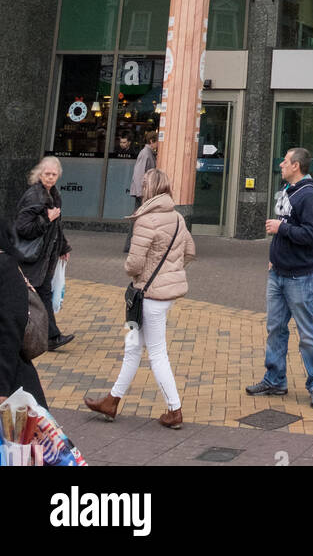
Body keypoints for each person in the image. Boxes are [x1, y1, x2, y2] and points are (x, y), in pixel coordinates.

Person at [84, 168, 195, 428]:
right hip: (159, 297)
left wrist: (146, 274)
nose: (140, 187)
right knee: (133, 348)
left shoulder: (145, 220)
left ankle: (174, 410)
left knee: (157, 353)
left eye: (144, 183)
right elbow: (190, 251)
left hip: (147, 299)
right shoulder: (178, 218)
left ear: (150, 188)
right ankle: (112, 401)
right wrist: (172, 273)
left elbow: (133, 266)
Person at [245, 147, 313, 408]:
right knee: (275, 329)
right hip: (278, 273)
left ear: (297, 166)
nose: (280, 164)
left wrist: (282, 228)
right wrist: (275, 256)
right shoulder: (289, 192)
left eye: (285, 161)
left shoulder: (309, 196)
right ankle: (275, 379)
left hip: (299, 277)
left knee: (308, 333)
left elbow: (311, 235)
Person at [14, 156, 74, 351]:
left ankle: (50, 336)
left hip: (44, 256)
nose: (50, 177)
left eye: (54, 174)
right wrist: (46, 219)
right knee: (32, 295)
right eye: (47, 174)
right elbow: (23, 227)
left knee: (41, 294)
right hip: (32, 257)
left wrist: (63, 248)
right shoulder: (34, 196)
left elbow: (57, 226)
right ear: (40, 174)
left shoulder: (53, 194)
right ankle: (48, 336)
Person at [0, 219, 48, 408]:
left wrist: (2, 388)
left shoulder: (4, 266)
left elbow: (10, 330)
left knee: (23, 435)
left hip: (9, 378)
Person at [125, 129, 159, 252]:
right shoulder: (145, 153)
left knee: (139, 218)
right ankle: (131, 245)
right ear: (152, 141)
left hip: (143, 192)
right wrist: (141, 193)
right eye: (157, 142)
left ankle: (132, 245)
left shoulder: (149, 153)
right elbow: (139, 174)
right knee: (138, 218)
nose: (159, 144)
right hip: (143, 193)